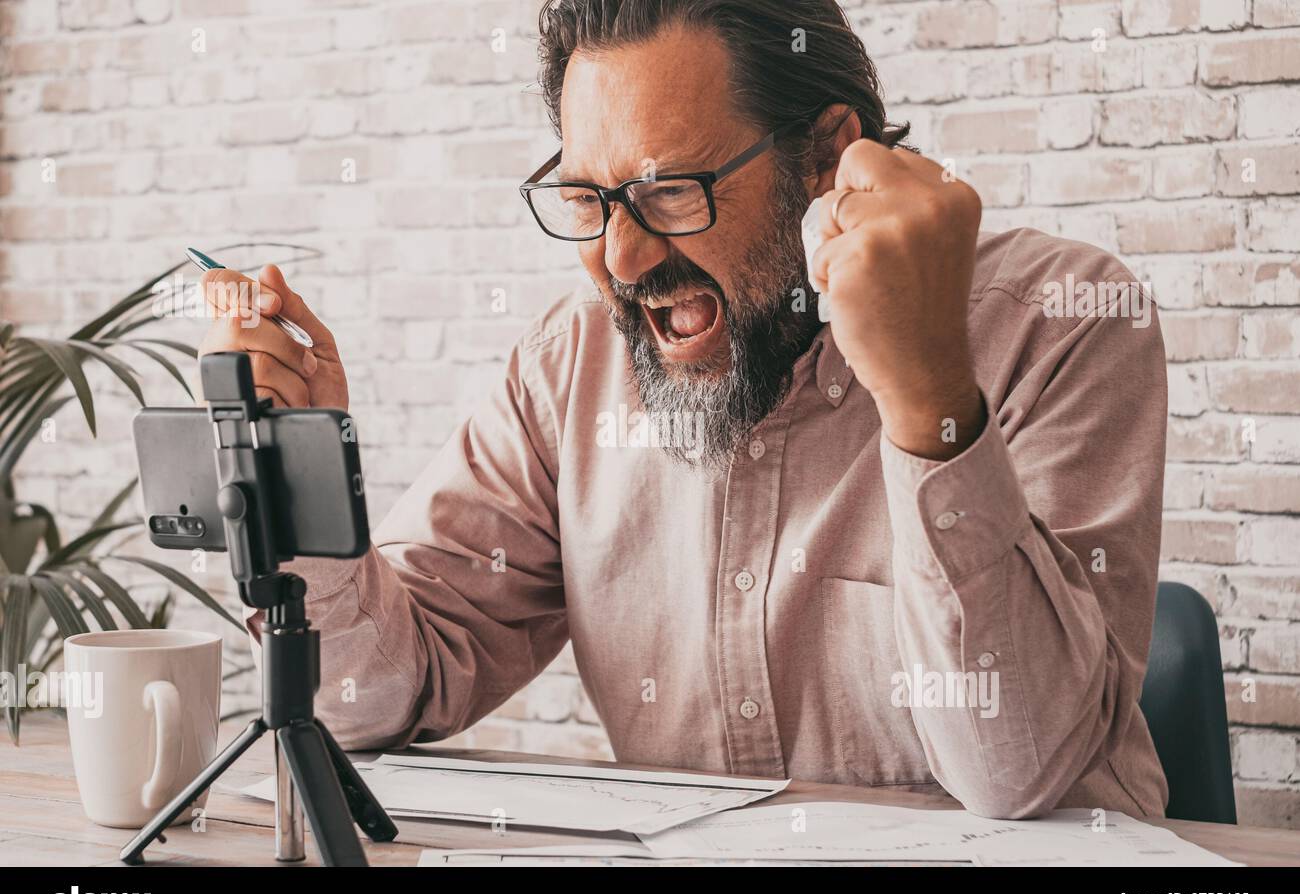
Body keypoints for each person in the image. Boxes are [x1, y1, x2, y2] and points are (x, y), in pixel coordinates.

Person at [199, 0, 1168, 819]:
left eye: (670, 191)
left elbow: (1019, 772)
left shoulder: (1061, 326)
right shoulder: (566, 373)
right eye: (589, 198)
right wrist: (300, 466)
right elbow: (368, 697)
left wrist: (927, 398)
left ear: (827, 157)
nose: (618, 258)